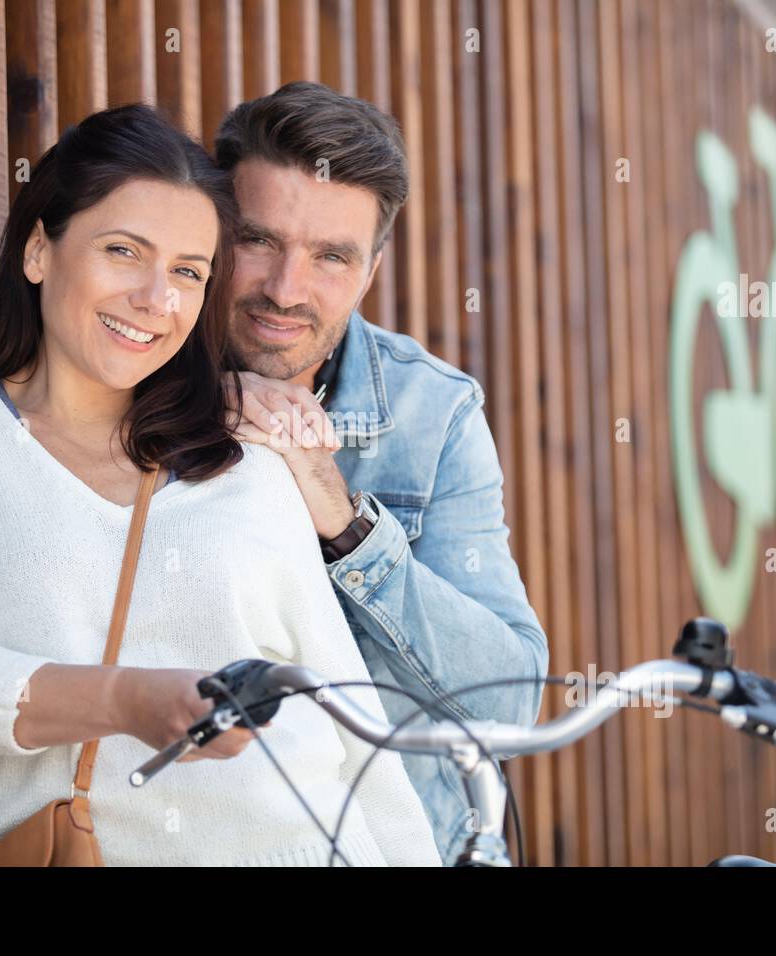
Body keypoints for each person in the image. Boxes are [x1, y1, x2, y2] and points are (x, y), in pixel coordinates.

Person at [0, 104, 440, 866]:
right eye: (124, 251)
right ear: (40, 249)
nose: (155, 299)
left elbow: (344, 708)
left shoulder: (245, 448)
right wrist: (127, 700)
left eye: (187, 272)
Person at [214, 82, 549, 864]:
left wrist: (342, 517)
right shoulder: (135, 378)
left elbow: (507, 701)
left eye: (332, 256)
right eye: (258, 240)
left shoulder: (433, 413)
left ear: (372, 268)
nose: (286, 291)